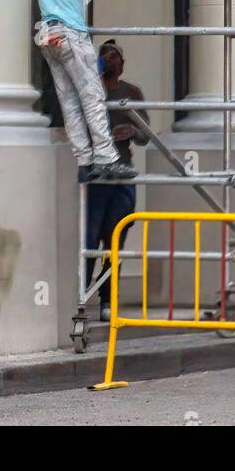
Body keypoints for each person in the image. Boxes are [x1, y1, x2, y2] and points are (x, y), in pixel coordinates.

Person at [32, 0, 136, 182]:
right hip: (69, 33)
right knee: (92, 97)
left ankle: (84, 162)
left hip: (52, 34)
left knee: (70, 101)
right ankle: (106, 158)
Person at [87, 41, 150, 321]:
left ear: (123, 63)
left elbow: (146, 135)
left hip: (123, 172)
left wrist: (132, 130)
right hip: (96, 175)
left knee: (115, 240)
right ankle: (81, 294)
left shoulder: (131, 92)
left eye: (116, 55)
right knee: (89, 238)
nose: (111, 60)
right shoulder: (91, 90)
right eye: (105, 55)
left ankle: (107, 299)